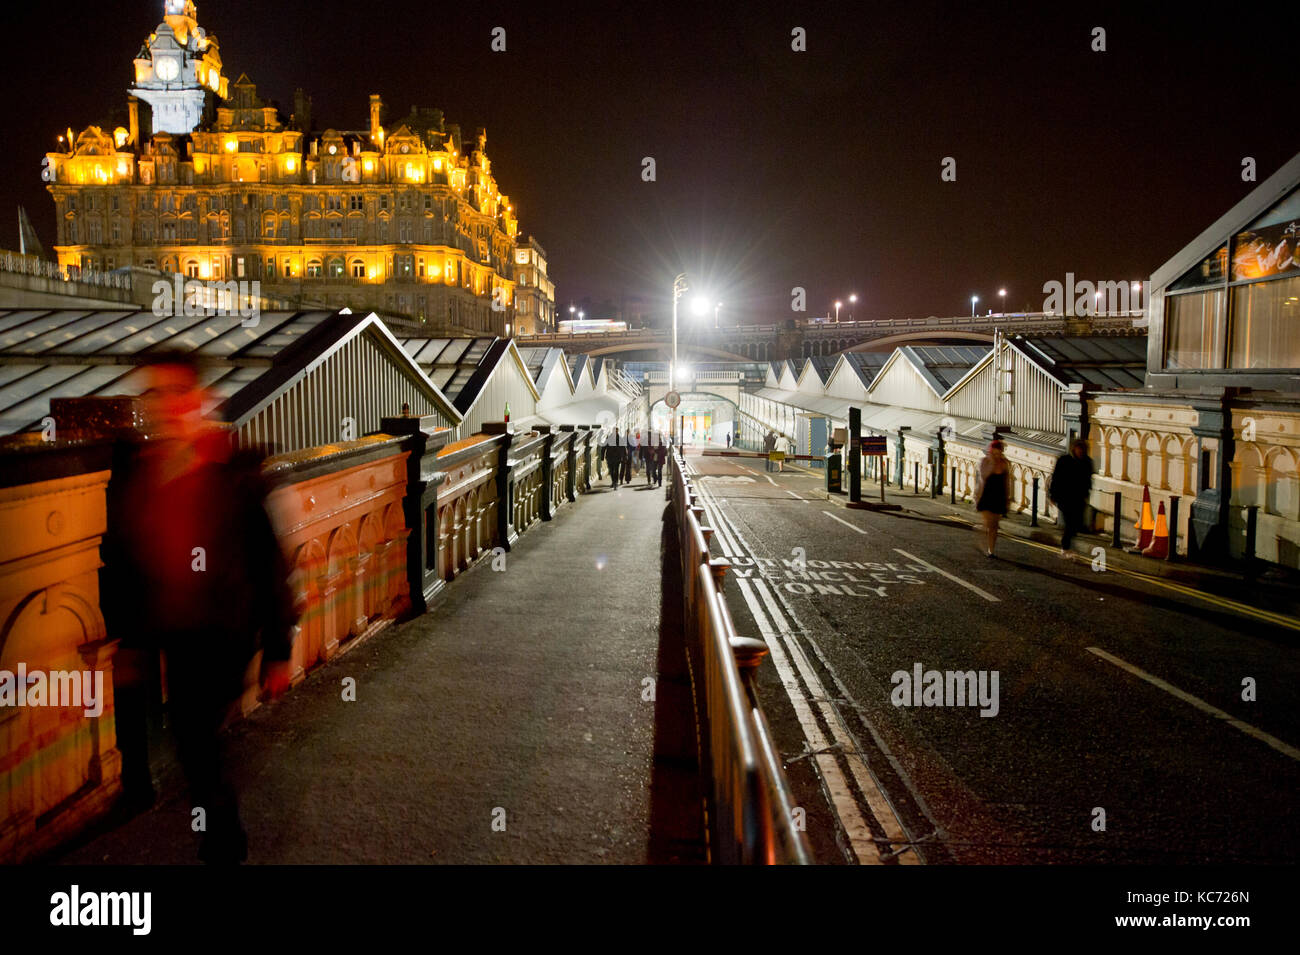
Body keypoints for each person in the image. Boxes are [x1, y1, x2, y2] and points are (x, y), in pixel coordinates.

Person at [102, 353, 296, 864]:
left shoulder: (229, 473)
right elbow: (126, 560)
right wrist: (132, 639)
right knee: (195, 741)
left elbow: (269, 564)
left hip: (222, 632)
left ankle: (223, 841)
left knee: (194, 738)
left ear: (198, 401)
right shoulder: (139, 470)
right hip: (171, 630)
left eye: (176, 394)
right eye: (156, 394)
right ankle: (219, 831)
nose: (165, 406)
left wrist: (279, 648)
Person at [1049, 438, 1094, 559]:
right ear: (1074, 449)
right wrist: (1052, 495)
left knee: (1076, 524)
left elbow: (1087, 479)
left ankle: (1067, 546)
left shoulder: (1087, 462)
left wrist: (1086, 493)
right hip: (1065, 497)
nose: (1080, 451)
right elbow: (1056, 478)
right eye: (1078, 448)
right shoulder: (1064, 460)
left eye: (1082, 449)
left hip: (1079, 498)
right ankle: (1065, 547)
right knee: (1070, 523)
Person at [974, 439, 1012, 557]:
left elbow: (1007, 482)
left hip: (999, 496)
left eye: (998, 453)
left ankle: (991, 550)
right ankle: (981, 532)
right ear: (990, 452)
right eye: (994, 453)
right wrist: (992, 462)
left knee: (995, 526)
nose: (997, 456)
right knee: (989, 523)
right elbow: (983, 477)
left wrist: (1008, 498)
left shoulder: (1005, 463)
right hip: (986, 495)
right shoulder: (984, 462)